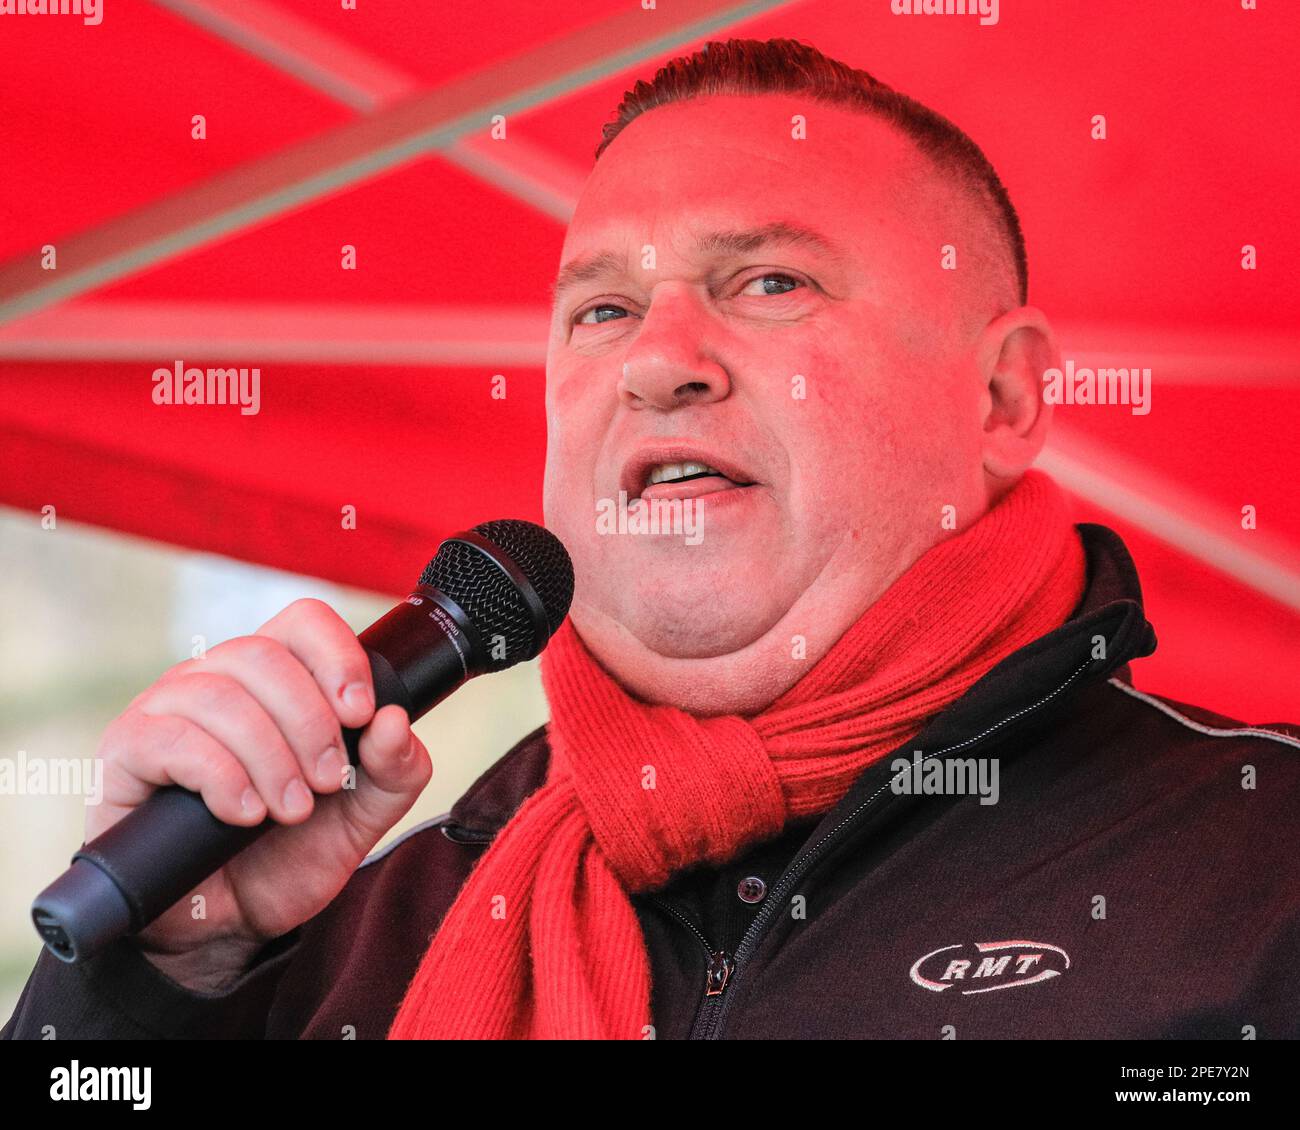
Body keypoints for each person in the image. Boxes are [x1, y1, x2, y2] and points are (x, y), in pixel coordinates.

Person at [4, 38, 1297, 1041]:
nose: (658, 361)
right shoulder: (343, 923)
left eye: (771, 282)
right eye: (605, 307)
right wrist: (158, 984)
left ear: (1003, 397)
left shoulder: (1258, 861)